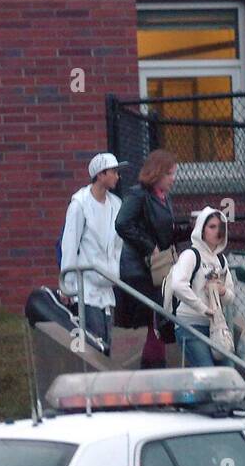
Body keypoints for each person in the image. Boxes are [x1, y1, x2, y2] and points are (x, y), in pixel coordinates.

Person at [115, 149, 181, 367]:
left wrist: (191, 229)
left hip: (157, 268)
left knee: (160, 318)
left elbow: (163, 231)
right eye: (170, 174)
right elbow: (122, 224)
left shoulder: (163, 198)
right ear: (158, 173)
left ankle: (155, 366)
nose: (174, 179)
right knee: (152, 318)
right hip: (140, 270)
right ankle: (146, 368)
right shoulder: (139, 194)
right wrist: (149, 247)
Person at [59, 152, 125, 355]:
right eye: (113, 172)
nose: (117, 176)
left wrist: (116, 273)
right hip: (86, 287)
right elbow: (69, 244)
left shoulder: (116, 204)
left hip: (107, 285)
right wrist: (68, 285)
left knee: (106, 345)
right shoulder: (80, 205)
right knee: (95, 346)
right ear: (100, 174)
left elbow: (117, 246)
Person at [169, 206, 234, 367]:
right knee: (208, 374)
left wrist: (222, 291)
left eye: (221, 227)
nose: (217, 231)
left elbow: (231, 296)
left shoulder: (221, 260)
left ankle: (190, 393)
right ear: (201, 229)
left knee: (227, 374)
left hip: (215, 327)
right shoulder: (191, 255)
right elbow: (177, 285)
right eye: (212, 227)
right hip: (190, 325)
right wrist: (202, 308)